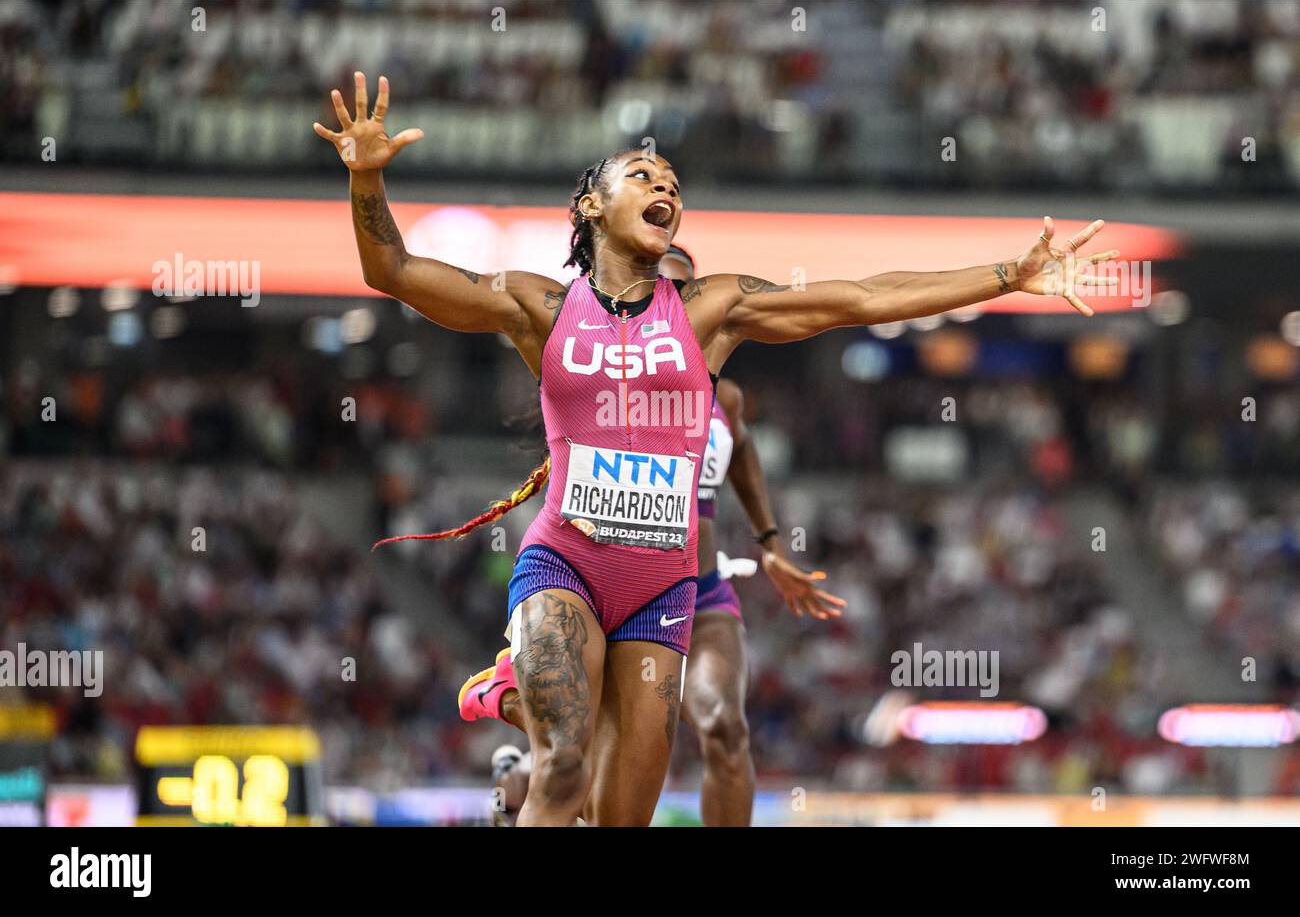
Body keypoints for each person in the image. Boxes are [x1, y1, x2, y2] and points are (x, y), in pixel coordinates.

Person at [314, 72, 1119, 826]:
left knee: (617, 813)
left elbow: (863, 298)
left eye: (673, 184)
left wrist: (1009, 273)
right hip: (565, 562)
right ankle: (529, 721)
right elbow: (392, 269)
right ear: (591, 206)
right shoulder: (540, 306)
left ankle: (514, 716)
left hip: (667, 587)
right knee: (562, 764)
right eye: (642, 175)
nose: (665, 186)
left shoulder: (711, 312)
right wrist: (365, 178)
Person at [466, 245, 846, 827]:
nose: (667, 305)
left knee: (723, 728)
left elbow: (741, 451)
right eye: (655, 288)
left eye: (683, 292)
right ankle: (516, 726)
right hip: (600, 573)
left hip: (696, 588)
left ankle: (522, 748)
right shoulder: (604, 376)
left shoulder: (725, 396)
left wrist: (769, 541)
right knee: (578, 760)